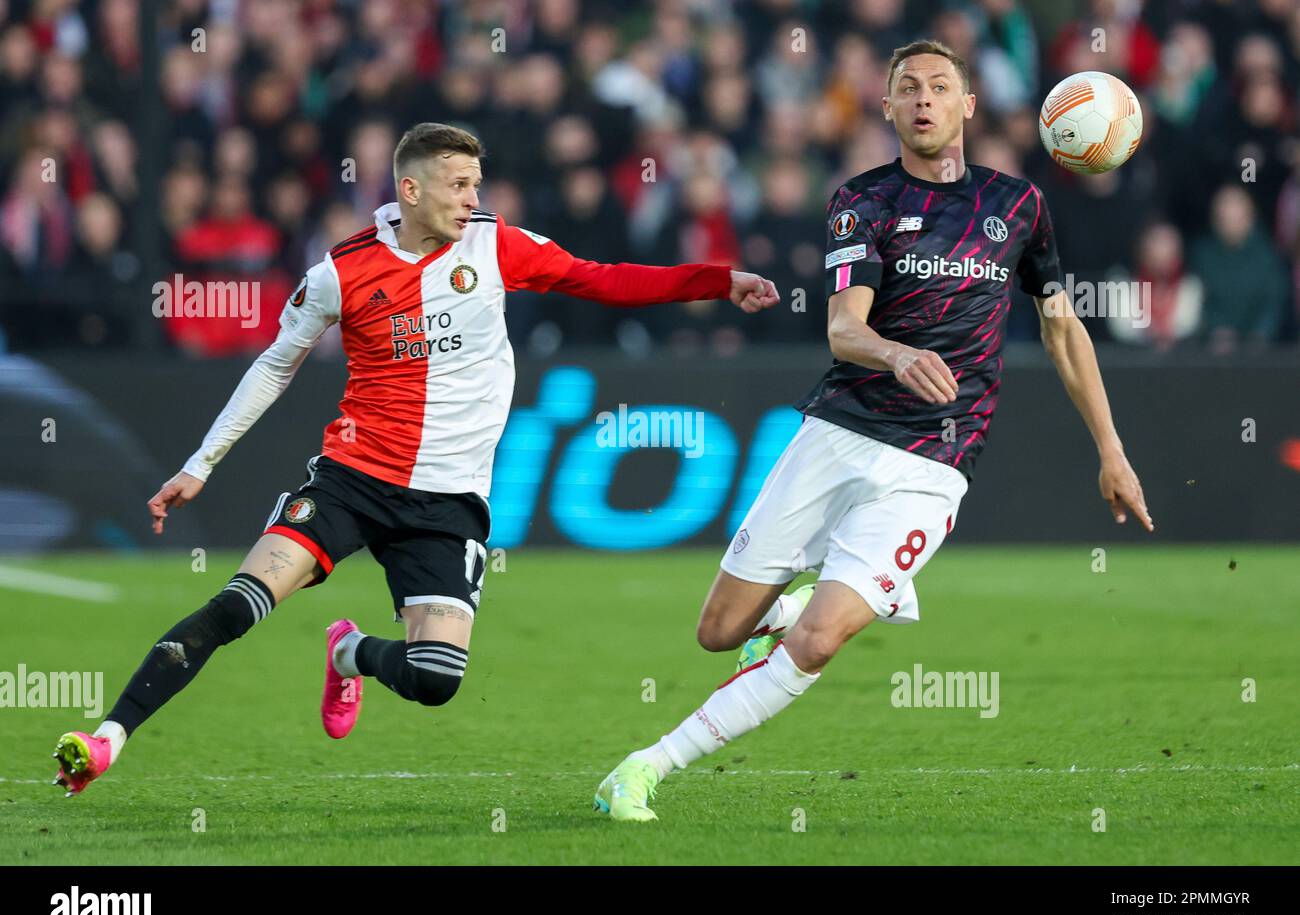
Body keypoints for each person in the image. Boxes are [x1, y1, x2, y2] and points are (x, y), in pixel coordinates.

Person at [51, 122, 780, 796]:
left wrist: (717, 280)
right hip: (352, 479)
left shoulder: (496, 247)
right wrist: (201, 463)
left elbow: (605, 278)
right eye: (459, 184)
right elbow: (276, 365)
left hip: (448, 502)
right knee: (240, 603)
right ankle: (107, 738)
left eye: (476, 184)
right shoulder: (341, 272)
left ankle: (349, 654)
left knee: (435, 679)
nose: (473, 198)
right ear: (411, 189)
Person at [594, 40, 1154, 822]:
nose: (924, 99)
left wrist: (1112, 450)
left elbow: (1061, 329)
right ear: (887, 108)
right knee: (720, 632)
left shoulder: (1017, 206)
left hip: (936, 460)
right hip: (841, 430)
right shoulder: (863, 201)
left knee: (821, 642)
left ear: (967, 105)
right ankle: (782, 611)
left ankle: (643, 768)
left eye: (939, 87)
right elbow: (843, 329)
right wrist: (898, 353)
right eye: (907, 89)